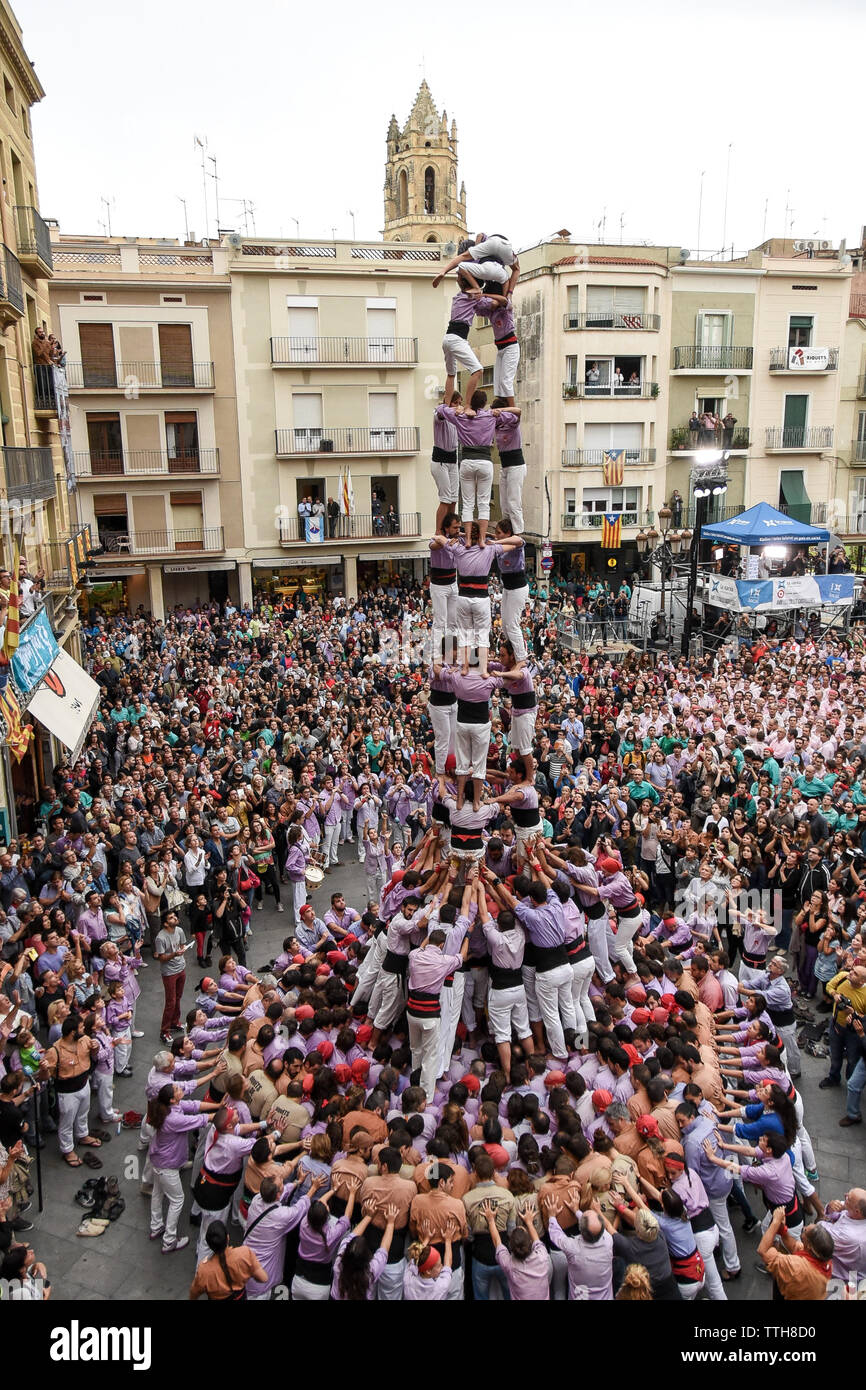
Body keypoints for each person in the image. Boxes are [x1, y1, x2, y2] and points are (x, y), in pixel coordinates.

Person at [188, 1220, 268, 1300]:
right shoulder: (244, 1254)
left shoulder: (204, 1270)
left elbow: (194, 1293)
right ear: (228, 1237)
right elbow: (263, 1278)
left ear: (209, 1245)